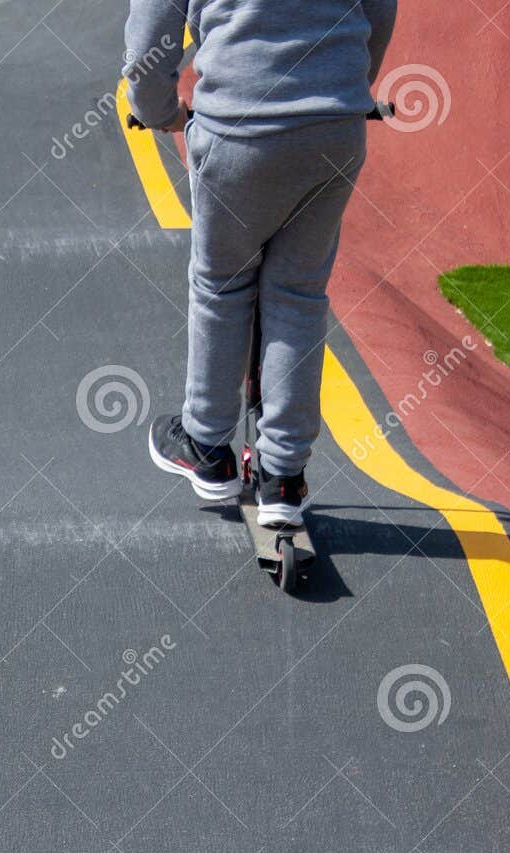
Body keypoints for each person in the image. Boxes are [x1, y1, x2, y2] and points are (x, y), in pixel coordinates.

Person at [126, 0, 397, 525]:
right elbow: (380, 11)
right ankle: (284, 473)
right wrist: (352, 87)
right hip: (334, 128)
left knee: (222, 284)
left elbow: (149, 41)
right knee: (298, 292)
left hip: (238, 124)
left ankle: (205, 443)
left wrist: (160, 112)